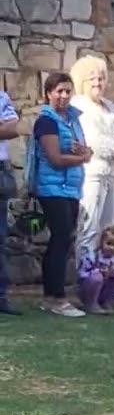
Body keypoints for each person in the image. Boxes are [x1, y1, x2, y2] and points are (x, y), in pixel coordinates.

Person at [30, 72, 92, 317]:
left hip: (71, 188)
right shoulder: (46, 121)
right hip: (52, 188)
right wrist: (83, 158)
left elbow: (82, 150)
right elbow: (55, 159)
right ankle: (56, 298)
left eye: (68, 91)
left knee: (64, 240)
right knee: (60, 239)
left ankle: (52, 296)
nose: (64, 96)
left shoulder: (73, 119)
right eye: (59, 91)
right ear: (49, 94)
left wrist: (86, 152)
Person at [69, 56, 114, 261]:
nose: (97, 83)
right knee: (89, 229)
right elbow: (94, 142)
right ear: (82, 81)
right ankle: (85, 273)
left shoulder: (110, 106)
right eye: (92, 79)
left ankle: (105, 273)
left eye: (100, 78)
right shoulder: (78, 106)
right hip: (92, 175)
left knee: (108, 231)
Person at [76, 224, 114, 315]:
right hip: (89, 290)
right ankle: (91, 303)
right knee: (96, 277)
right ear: (101, 242)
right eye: (108, 243)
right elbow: (81, 274)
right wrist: (98, 272)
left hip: (106, 290)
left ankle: (108, 302)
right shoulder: (92, 255)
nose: (112, 248)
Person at [0, 88, 21, 315]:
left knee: (0, 238)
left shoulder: (1, 96)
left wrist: (5, 128)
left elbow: (13, 128)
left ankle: (1, 297)